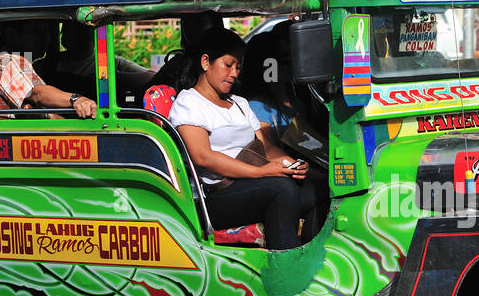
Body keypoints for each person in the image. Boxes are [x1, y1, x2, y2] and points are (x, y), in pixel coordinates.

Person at [167, 28, 316, 251]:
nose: (235, 73)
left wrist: (289, 164)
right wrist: (262, 172)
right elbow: (202, 157)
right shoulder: (189, 103)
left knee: (312, 190)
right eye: (228, 65)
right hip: (214, 194)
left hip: (250, 182)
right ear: (206, 62)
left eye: (238, 67)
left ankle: (310, 259)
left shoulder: (239, 103)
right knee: (281, 189)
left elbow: (265, 146)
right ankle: (286, 269)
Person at [0, 21, 97, 117]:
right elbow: (37, 94)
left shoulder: (29, 66)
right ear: (13, 35)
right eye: (37, 31)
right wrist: (77, 100)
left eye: (47, 32)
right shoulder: (8, 62)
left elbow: (48, 117)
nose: (47, 38)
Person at [40, 20, 154, 107]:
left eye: (86, 31)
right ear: (64, 38)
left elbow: (149, 77)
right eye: (74, 32)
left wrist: (116, 78)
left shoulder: (114, 63)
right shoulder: (47, 65)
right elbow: (34, 92)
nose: (84, 36)